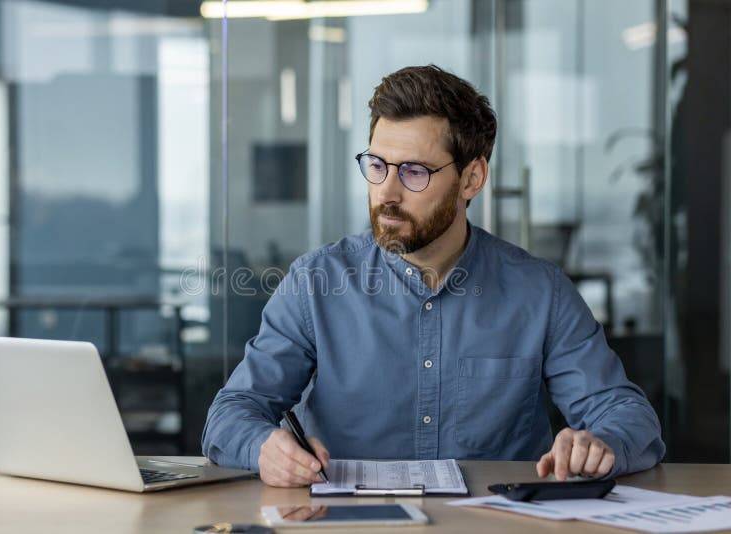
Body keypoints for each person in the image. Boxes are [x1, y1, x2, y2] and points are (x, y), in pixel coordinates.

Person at [202, 65, 665, 487]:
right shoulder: (314, 285)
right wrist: (264, 448)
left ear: (472, 179)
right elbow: (231, 415)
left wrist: (598, 444)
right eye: (378, 166)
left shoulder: (540, 292)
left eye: (414, 172)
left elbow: (627, 415)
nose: (387, 192)